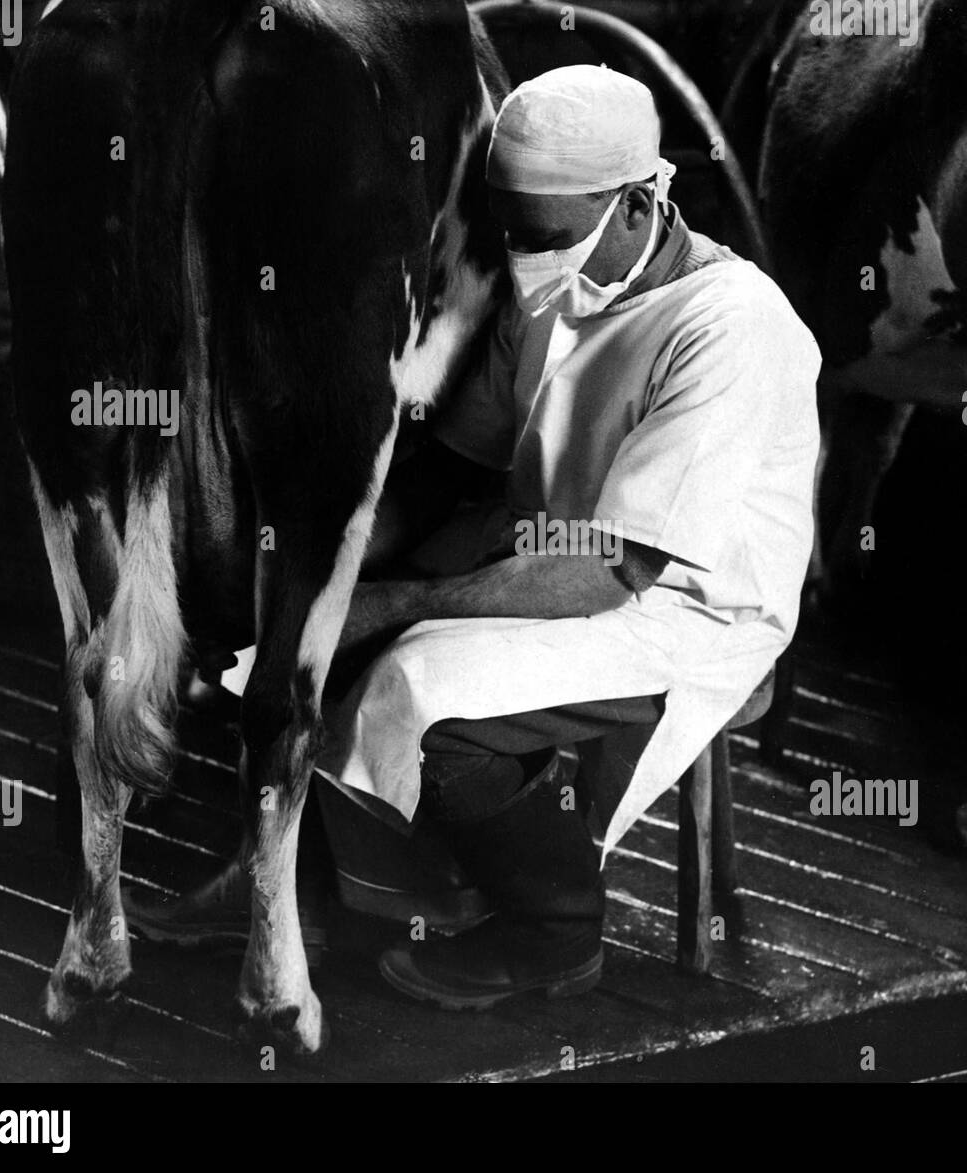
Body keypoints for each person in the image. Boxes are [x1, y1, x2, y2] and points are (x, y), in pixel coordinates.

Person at [126, 64, 821, 1010]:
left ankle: (557, 931)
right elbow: (457, 463)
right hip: (543, 552)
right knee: (304, 638)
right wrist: (332, 563)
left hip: (682, 601)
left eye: (545, 234)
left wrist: (404, 602)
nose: (525, 257)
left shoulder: (729, 326)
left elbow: (620, 567)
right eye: (511, 229)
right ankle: (301, 888)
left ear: (636, 203)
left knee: (432, 697)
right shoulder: (555, 290)